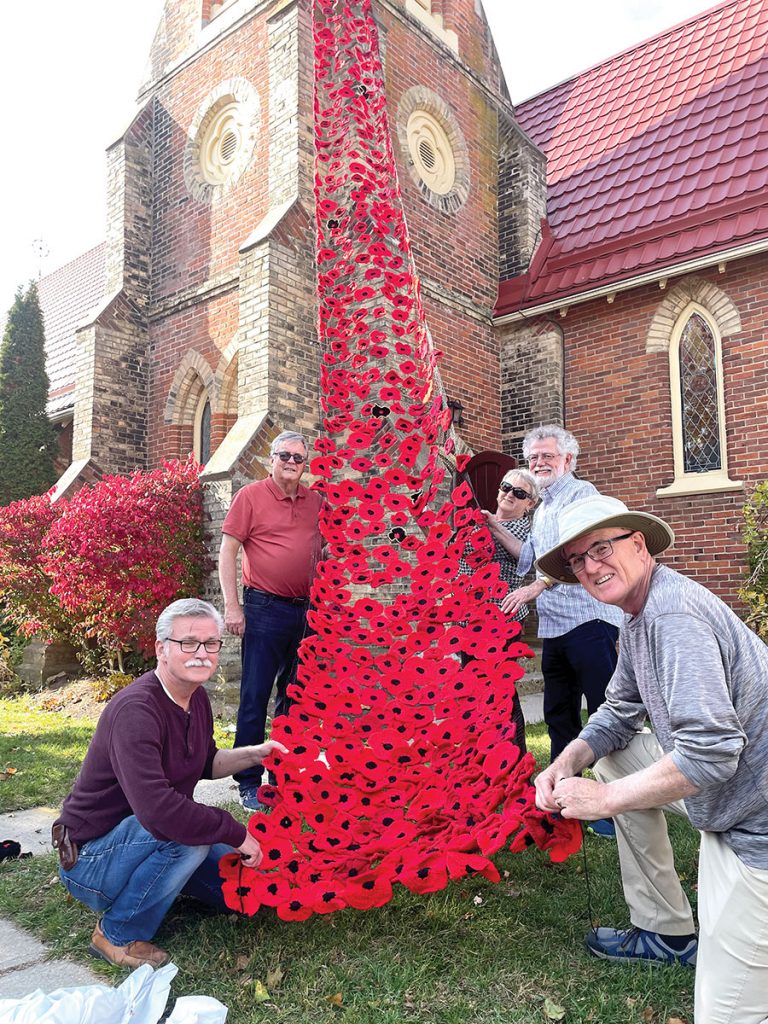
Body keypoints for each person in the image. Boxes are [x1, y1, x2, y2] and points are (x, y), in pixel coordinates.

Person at [534, 494, 768, 1024]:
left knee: (726, 1012)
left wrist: (604, 799)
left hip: (757, 824)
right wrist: (567, 761)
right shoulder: (639, 614)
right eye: (576, 560)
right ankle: (666, 931)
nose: (590, 567)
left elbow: (711, 752)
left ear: (638, 545)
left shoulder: (671, 617)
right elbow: (617, 711)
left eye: (600, 548)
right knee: (613, 759)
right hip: (738, 793)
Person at [52, 598, 286, 969]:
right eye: (188, 642)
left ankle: (160, 882)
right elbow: (159, 811)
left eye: (211, 644)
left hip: (141, 839)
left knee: (242, 893)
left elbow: (205, 762)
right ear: (162, 648)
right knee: (186, 837)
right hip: (90, 859)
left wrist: (257, 753)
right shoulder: (136, 710)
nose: (202, 653)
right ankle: (115, 933)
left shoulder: (195, 699)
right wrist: (233, 830)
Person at [500, 426, 622, 836]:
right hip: (554, 628)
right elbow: (530, 558)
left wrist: (535, 586)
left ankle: (615, 803)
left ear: (568, 460)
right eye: (533, 458)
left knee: (606, 714)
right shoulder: (542, 507)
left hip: (589, 622)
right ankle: (564, 800)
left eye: (547, 456)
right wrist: (491, 526)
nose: (539, 464)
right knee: (559, 716)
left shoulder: (582, 497)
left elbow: (580, 555)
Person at [219, 430, 323, 810]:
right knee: (255, 697)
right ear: (271, 458)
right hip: (264, 608)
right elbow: (228, 551)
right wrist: (233, 606)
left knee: (295, 698)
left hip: (308, 611)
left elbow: (329, 548)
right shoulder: (250, 496)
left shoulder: (316, 502)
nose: (291, 463)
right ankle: (248, 782)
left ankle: (283, 776)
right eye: (284, 455)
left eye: (298, 458)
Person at [461, 467, 539, 754]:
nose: (509, 495)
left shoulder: (526, 529)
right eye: (506, 488)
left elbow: (527, 559)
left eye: (519, 493)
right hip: (469, 621)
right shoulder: (475, 523)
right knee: (473, 694)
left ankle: (514, 760)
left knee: (502, 694)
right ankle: (482, 761)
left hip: (500, 625)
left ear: (529, 503)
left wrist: (493, 525)